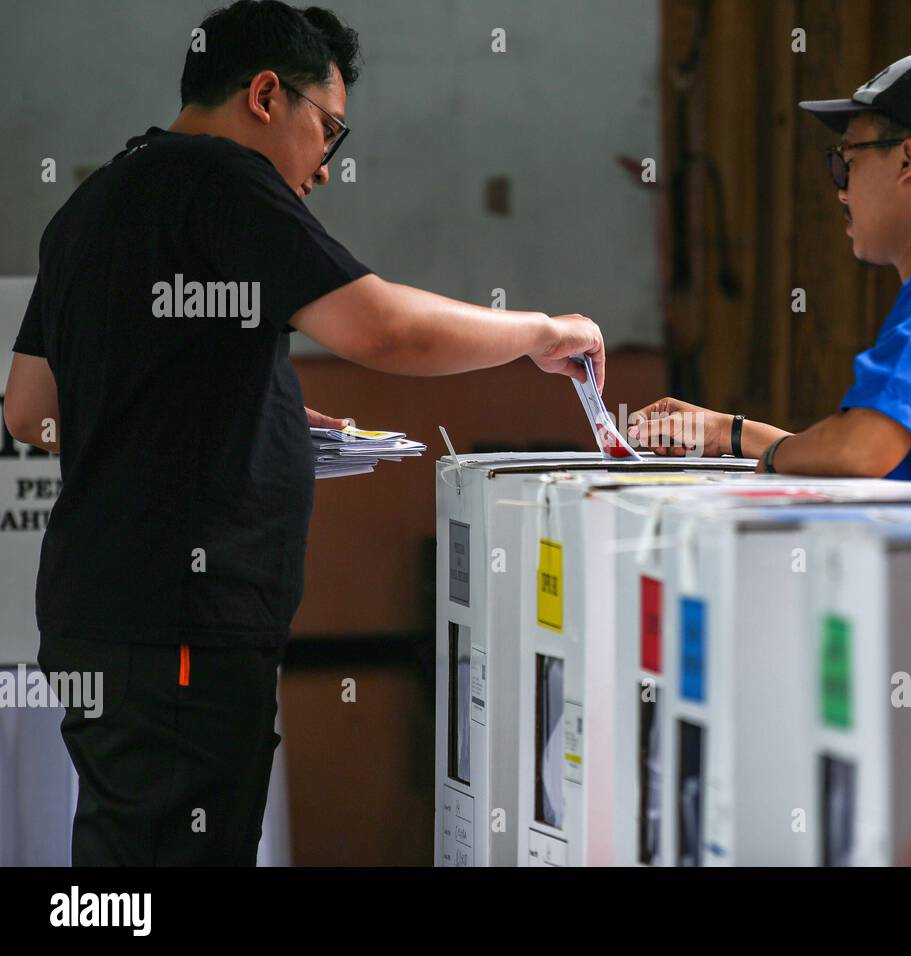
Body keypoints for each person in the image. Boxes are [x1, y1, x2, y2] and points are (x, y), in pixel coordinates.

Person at [3, 0, 604, 865]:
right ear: (263, 96)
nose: (324, 168)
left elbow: (30, 409)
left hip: (99, 618)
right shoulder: (220, 180)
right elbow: (381, 329)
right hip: (183, 623)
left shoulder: (95, 201)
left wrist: (255, 409)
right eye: (329, 130)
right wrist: (539, 333)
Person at [629, 52, 911, 496]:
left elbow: (860, 452)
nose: (842, 193)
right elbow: (875, 455)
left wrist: (769, 462)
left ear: (906, 160)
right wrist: (730, 433)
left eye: (844, 162)